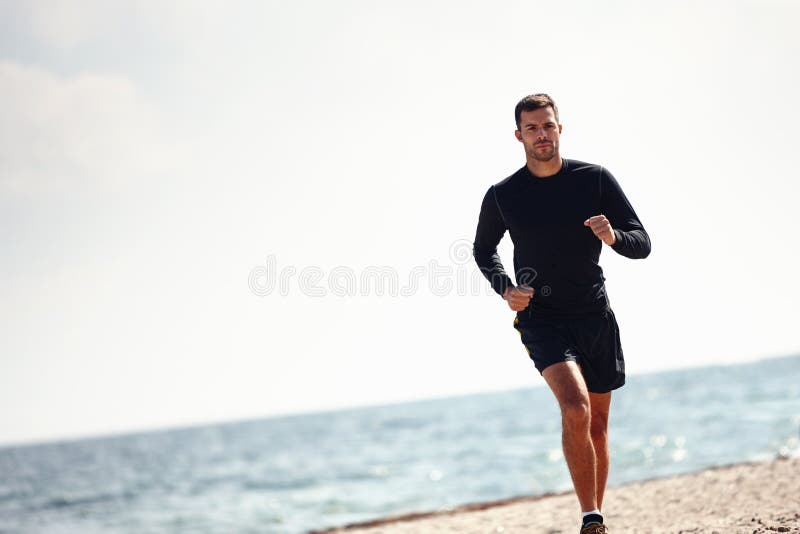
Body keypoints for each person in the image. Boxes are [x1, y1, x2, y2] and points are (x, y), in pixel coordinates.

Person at [472, 94, 650, 534]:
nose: (541, 134)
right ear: (519, 136)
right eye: (532, 128)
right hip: (542, 317)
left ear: (560, 128)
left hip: (593, 314)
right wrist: (505, 288)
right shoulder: (503, 195)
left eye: (547, 125)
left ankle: (595, 513)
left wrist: (613, 237)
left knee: (599, 425)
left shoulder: (595, 180)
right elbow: (483, 248)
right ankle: (591, 517)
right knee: (575, 406)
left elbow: (641, 242)